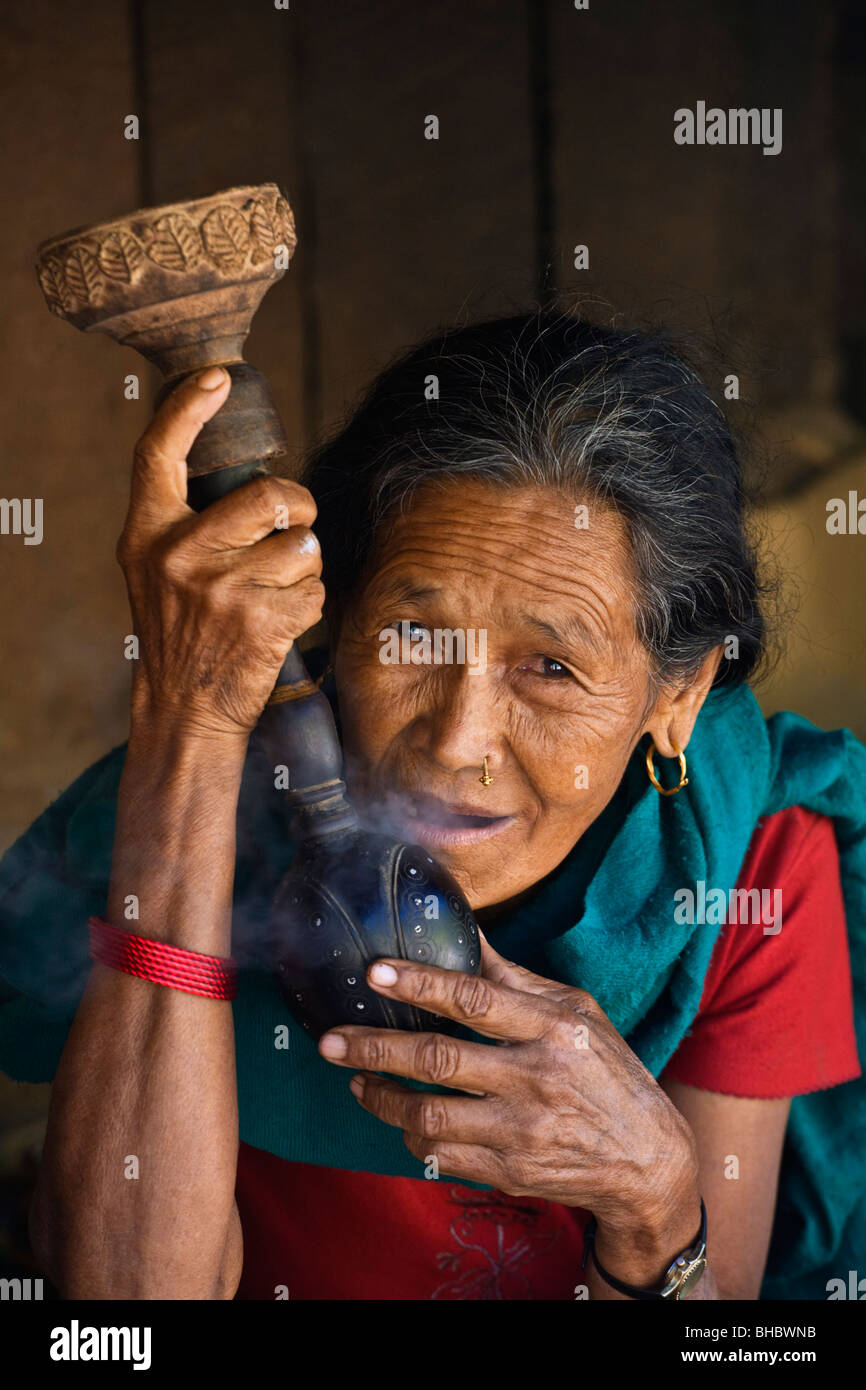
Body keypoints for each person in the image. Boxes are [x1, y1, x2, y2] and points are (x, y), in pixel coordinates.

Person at [0, 312, 863, 1300]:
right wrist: (185, 727)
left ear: (675, 698)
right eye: (412, 639)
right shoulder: (200, 805)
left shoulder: (742, 871)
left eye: (550, 666)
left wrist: (654, 1206)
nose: (457, 742)